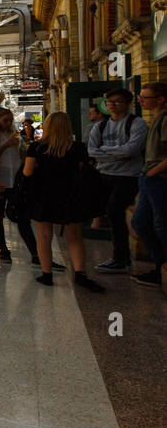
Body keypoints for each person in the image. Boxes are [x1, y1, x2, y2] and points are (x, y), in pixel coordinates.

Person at [23, 111, 103, 291]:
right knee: (74, 237)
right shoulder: (78, 147)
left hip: (43, 195)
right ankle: (80, 274)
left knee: (44, 236)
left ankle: (47, 274)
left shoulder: (36, 147)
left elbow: (27, 172)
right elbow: (80, 169)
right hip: (69, 195)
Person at [86, 87, 145, 273]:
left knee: (114, 211)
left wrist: (106, 151)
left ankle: (121, 258)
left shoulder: (137, 124)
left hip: (128, 176)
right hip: (104, 175)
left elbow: (132, 150)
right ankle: (120, 256)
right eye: (109, 102)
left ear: (128, 103)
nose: (112, 105)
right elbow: (92, 151)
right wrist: (118, 153)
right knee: (112, 214)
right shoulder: (100, 126)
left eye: (117, 101)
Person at [0, 109, 39, 265]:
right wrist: (6, 145)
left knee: (23, 217)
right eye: (5, 120)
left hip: (16, 180)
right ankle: (3, 249)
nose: (9, 123)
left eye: (11, 120)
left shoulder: (15, 136)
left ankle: (35, 253)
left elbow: (22, 156)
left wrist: (23, 149)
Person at [130, 82, 167, 287]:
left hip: (159, 179)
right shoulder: (155, 119)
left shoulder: (165, 119)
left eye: (145, 97)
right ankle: (160, 265)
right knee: (141, 222)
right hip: (149, 178)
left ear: (160, 99)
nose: (141, 101)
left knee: (161, 224)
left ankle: (163, 267)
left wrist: (153, 173)